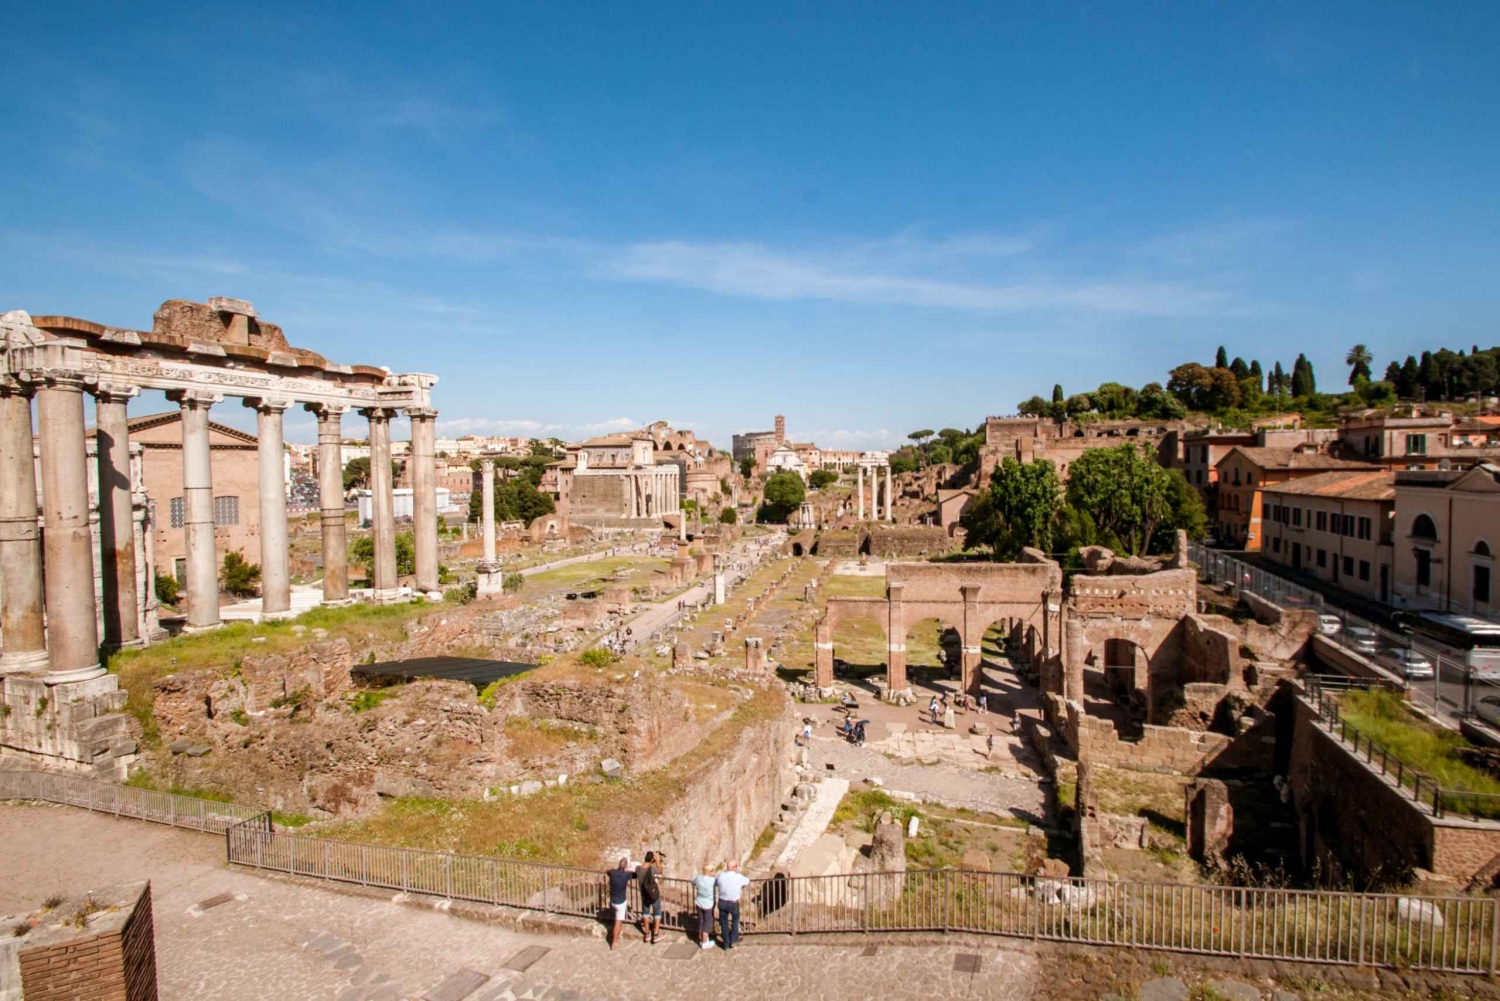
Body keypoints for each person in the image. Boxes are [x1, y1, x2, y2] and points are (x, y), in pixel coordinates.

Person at [715, 860, 751, 950]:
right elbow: (747, 881)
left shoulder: (721, 875)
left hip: (722, 902)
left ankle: (726, 944)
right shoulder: (738, 877)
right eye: (736, 866)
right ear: (734, 867)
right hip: (733, 903)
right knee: (735, 920)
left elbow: (717, 883)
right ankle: (734, 940)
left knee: (724, 922)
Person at [606, 857, 635, 949]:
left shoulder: (612, 872)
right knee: (618, 921)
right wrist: (629, 869)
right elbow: (636, 874)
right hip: (620, 902)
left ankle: (618, 932)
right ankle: (614, 942)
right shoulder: (626, 874)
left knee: (619, 919)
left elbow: (607, 871)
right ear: (625, 866)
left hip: (612, 900)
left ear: (618, 864)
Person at [636, 852, 663, 944]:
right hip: (653, 895)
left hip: (644, 895)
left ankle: (647, 933)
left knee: (645, 913)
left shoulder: (638, 869)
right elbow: (660, 870)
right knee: (657, 912)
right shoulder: (651, 869)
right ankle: (656, 934)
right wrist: (657, 861)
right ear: (652, 860)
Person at [692, 868, 717, 950]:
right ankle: (705, 943)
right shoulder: (712, 880)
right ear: (710, 871)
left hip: (699, 902)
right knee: (707, 923)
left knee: (701, 921)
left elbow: (692, 882)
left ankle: (702, 939)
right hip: (708, 904)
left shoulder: (699, 878)